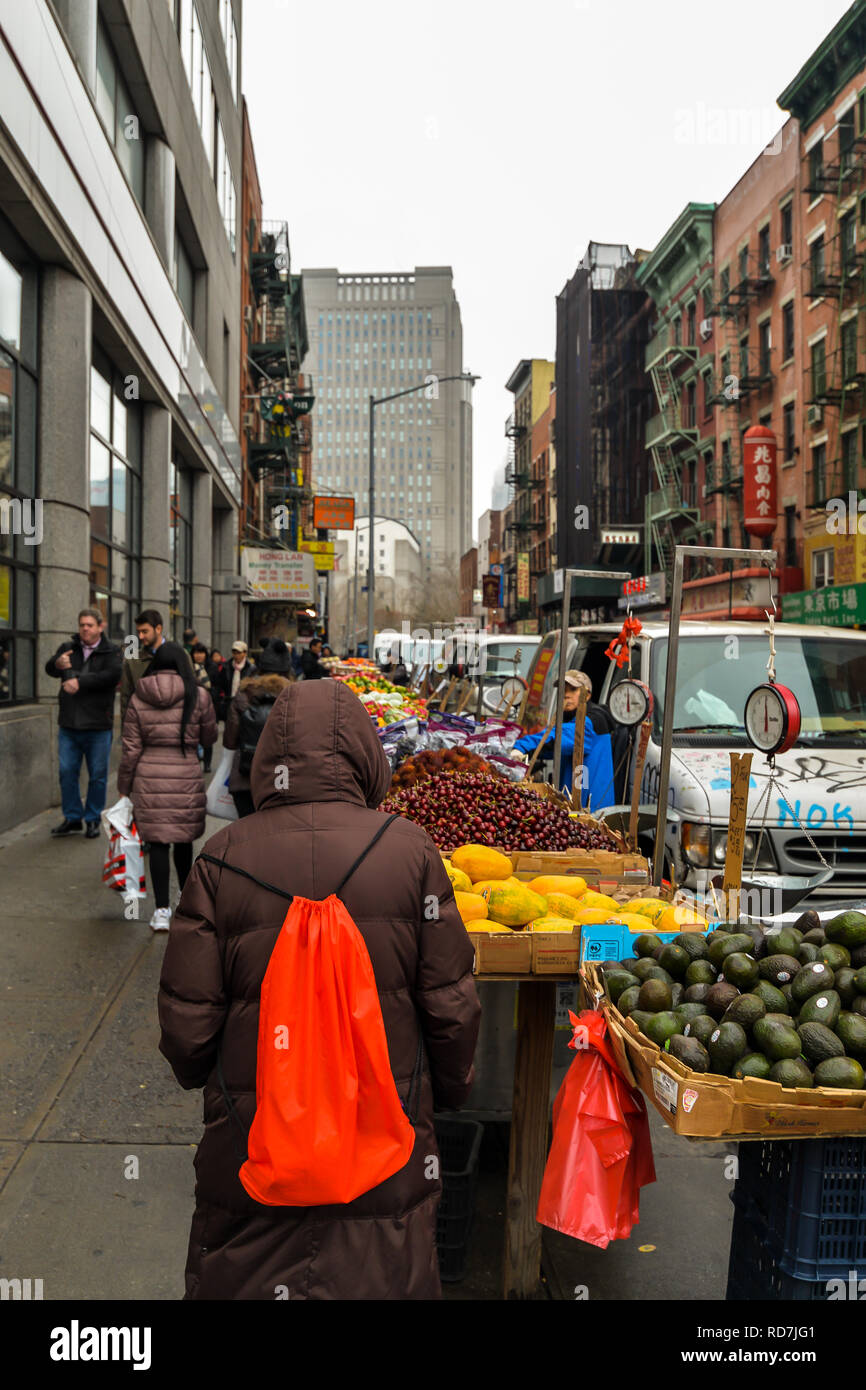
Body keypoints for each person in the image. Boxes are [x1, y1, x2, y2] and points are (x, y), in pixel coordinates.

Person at [158, 679, 481, 1300]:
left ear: (267, 758)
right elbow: (452, 1005)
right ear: (366, 755)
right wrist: (449, 1091)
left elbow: (187, 1033)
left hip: (256, 1146)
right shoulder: (411, 852)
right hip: (383, 1140)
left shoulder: (220, 859)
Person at [117, 641, 217, 931]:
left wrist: (124, 787)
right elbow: (209, 738)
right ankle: (185, 902)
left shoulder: (139, 696)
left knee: (158, 843)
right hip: (185, 773)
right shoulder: (198, 695)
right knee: (183, 840)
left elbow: (131, 749)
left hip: (148, 778)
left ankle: (161, 911)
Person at [45, 608, 122, 837]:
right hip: (69, 724)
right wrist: (57, 663)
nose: (85, 629)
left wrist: (80, 682)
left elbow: (113, 675)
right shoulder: (68, 648)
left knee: (98, 775)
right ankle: (72, 818)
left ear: (101, 626)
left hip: (98, 725)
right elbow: (49, 668)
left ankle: (92, 819)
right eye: (82, 625)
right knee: (67, 772)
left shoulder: (112, 651)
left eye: (89, 625)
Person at [513, 670, 615, 808]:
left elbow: (559, 737)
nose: (566, 694)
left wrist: (521, 747)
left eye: (573, 690)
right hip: (575, 804)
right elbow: (554, 747)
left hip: (592, 807)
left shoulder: (592, 720)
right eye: (563, 690)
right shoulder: (569, 718)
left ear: (587, 695)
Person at [222, 673, 291, 817]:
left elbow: (230, 742)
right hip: (278, 779)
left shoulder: (242, 696)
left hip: (244, 779)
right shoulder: (291, 698)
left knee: (246, 831)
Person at [120, 609, 192, 724]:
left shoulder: (181, 655)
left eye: (144, 631)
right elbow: (126, 698)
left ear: (158, 629)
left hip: (175, 727)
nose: (141, 636)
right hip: (145, 728)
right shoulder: (133, 661)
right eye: (138, 632)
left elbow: (191, 690)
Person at [190, 643, 217, 773]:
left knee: (208, 736)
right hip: (193, 705)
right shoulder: (189, 668)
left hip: (209, 705)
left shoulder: (212, 667)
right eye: (196, 653)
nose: (199, 656)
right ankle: (195, 761)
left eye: (201, 652)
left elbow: (217, 686)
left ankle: (207, 763)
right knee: (193, 735)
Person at [215, 640, 256, 711]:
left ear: (245, 653)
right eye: (234, 653)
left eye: (239, 653)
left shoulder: (251, 669)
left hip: (245, 704)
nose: (236, 655)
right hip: (228, 703)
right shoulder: (226, 667)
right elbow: (219, 685)